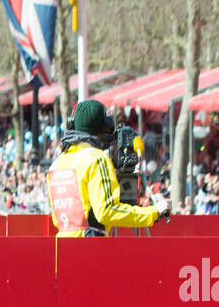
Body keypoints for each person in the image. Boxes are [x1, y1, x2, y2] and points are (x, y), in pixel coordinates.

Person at [47, 99, 168, 236]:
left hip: (61, 247)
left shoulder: (57, 163)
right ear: (104, 127)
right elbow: (107, 211)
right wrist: (154, 212)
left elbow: (57, 219)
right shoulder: (96, 158)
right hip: (91, 247)